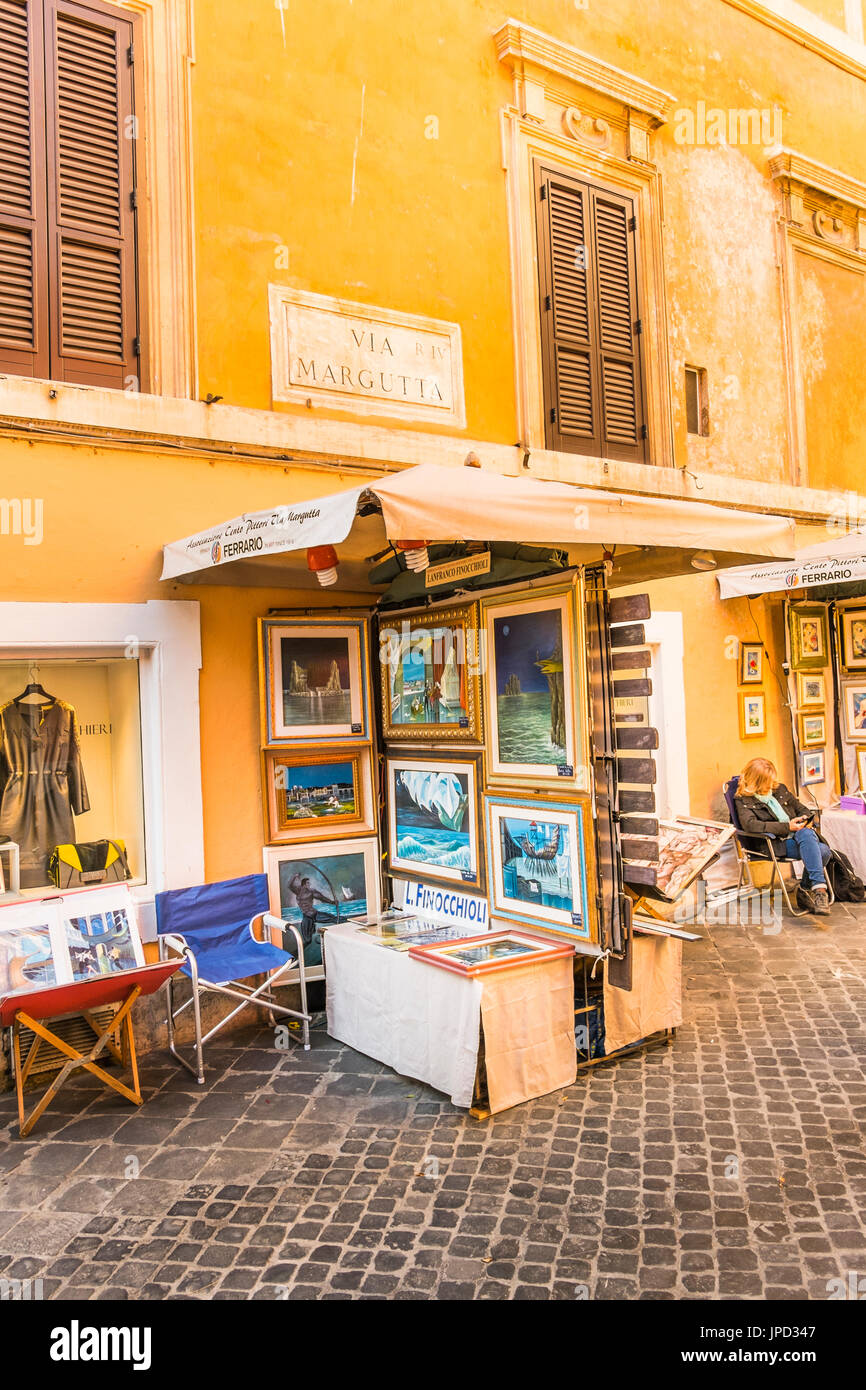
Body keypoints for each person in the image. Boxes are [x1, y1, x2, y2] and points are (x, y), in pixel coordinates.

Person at [735, 757, 832, 916]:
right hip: (774, 843)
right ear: (757, 781)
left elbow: (803, 809)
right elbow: (751, 825)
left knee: (810, 837)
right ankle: (815, 890)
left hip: (799, 837)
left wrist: (803, 820)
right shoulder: (743, 800)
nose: (772, 784)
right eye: (767, 780)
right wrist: (787, 827)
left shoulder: (779, 790)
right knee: (823, 851)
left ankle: (812, 889)